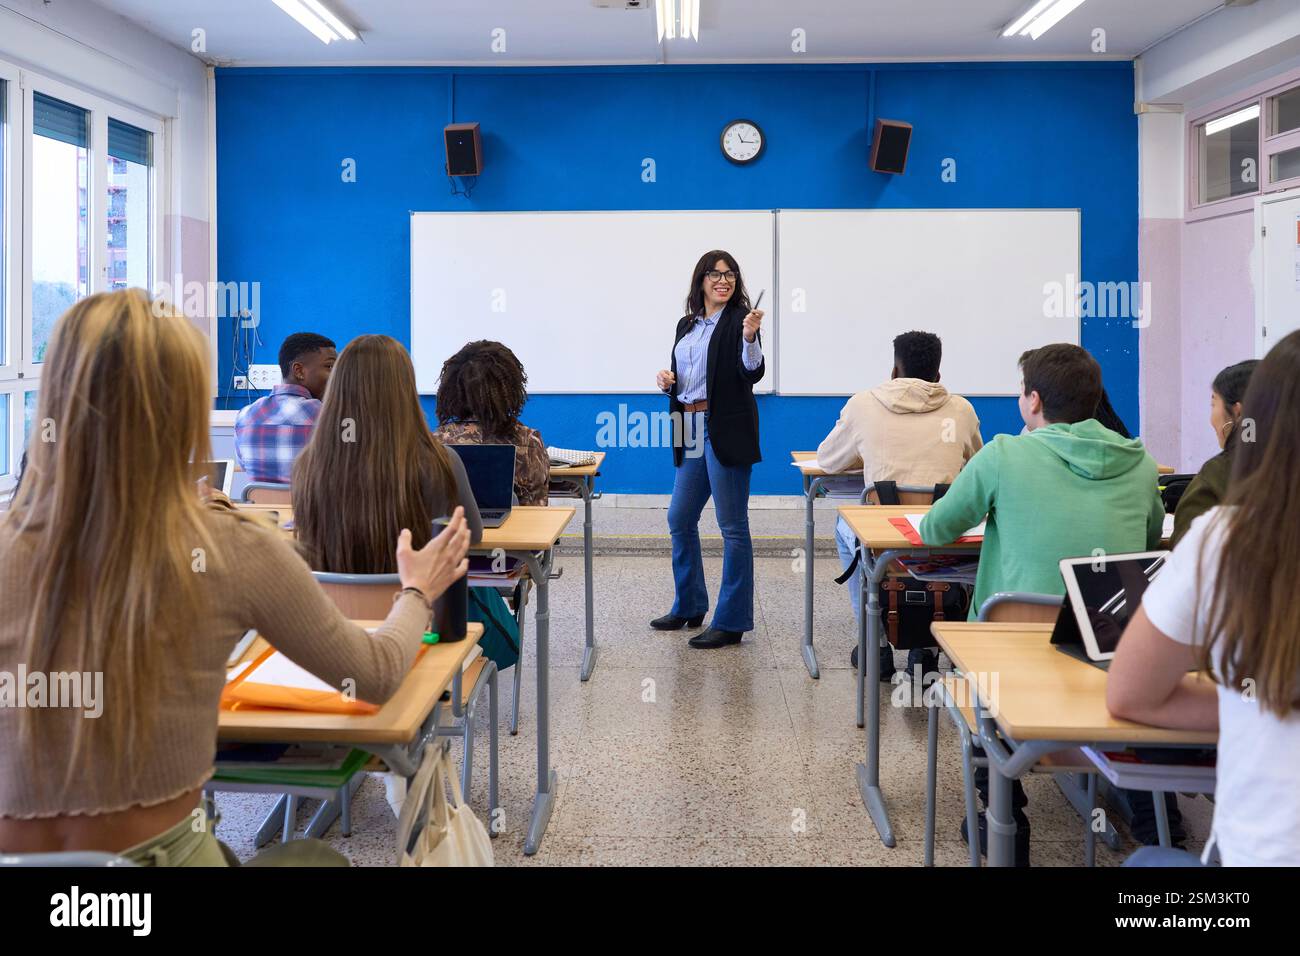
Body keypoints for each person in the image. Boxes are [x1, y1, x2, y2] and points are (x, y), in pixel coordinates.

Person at [0, 290, 470, 865]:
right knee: (313, 860)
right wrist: (418, 590)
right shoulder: (229, 548)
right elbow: (374, 675)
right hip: (159, 859)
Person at [919, 343, 1164, 864]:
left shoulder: (1005, 454)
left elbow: (937, 528)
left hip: (1010, 657)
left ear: (1033, 400)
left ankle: (1005, 812)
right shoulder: (1140, 463)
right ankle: (1148, 811)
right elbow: (1146, 546)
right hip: (1106, 652)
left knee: (973, 676)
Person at [1109, 330, 1300, 867]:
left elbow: (1131, 695)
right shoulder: (1143, 467)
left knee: (1148, 869)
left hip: (1259, 858)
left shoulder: (1226, 537)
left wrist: (1255, 706)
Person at [815, 330, 982, 678]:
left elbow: (827, 461)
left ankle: (875, 645)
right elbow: (976, 467)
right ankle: (929, 648)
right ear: (938, 374)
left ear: (894, 370)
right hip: (943, 539)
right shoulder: (962, 410)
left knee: (843, 526)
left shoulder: (863, 405)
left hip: (884, 543)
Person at [651, 250, 765, 649]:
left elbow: (751, 371)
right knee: (679, 517)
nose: (724, 280)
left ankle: (731, 621)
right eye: (715, 274)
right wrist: (670, 380)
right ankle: (689, 604)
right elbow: (691, 375)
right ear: (701, 281)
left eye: (730, 274)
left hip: (725, 428)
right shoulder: (688, 324)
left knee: (732, 527)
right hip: (690, 424)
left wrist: (750, 338)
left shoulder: (740, 321)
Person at [293, 334, 484, 570]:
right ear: (404, 389)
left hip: (333, 605)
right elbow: (472, 535)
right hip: (418, 602)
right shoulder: (439, 461)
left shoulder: (308, 464)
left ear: (338, 388)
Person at [433, 340, 550, 507]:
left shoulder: (435, 443)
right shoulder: (528, 442)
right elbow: (538, 510)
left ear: (452, 388)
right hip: (517, 532)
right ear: (509, 388)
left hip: (454, 531)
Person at [1170, 359, 1259, 546]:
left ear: (1238, 412)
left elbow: (1184, 553)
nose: (1211, 418)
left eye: (1213, 404)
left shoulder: (1218, 473)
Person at [234, 332, 337, 483]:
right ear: (299, 371)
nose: (336, 375)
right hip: (311, 506)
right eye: (329, 366)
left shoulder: (244, 416)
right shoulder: (328, 416)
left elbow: (244, 466)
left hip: (261, 506)